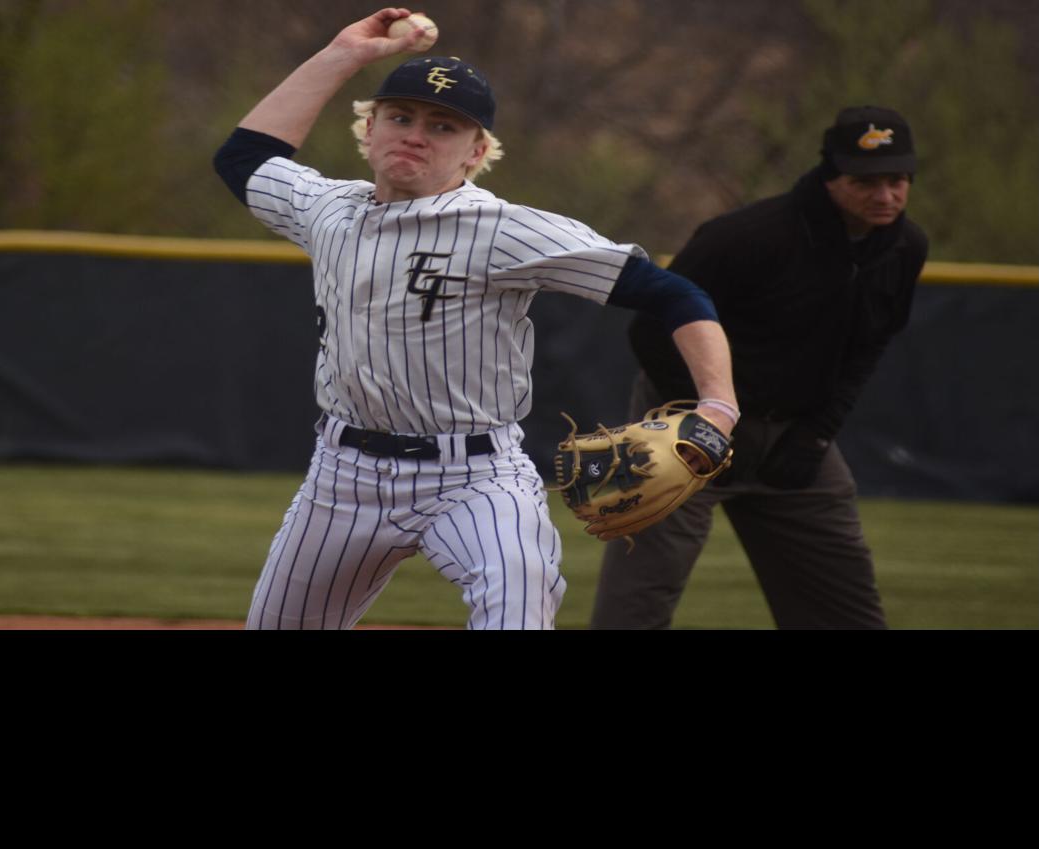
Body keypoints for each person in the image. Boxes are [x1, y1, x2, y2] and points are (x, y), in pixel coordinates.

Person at [212, 9, 737, 630]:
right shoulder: (328, 208)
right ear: (370, 128)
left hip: (475, 476)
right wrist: (344, 54)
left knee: (517, 608)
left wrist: (718, 407)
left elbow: (676, 295)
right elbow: (245, 156)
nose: (416, 133)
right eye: (400, 116)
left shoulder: (506, 230)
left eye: (443, 125)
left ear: (477, 151)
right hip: (342, 476)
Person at [589, 106, 929, 630]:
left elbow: (866, 348)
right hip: (688, 423)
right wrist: (717, 415)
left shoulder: (905, 247)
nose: (885, 196)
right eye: (865, 181)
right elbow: (652, 332)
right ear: (830, 174)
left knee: (844, 604)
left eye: (897, 180)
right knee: (637, 601)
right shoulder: (747, 236)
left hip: (794, 431)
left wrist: (816, 436)